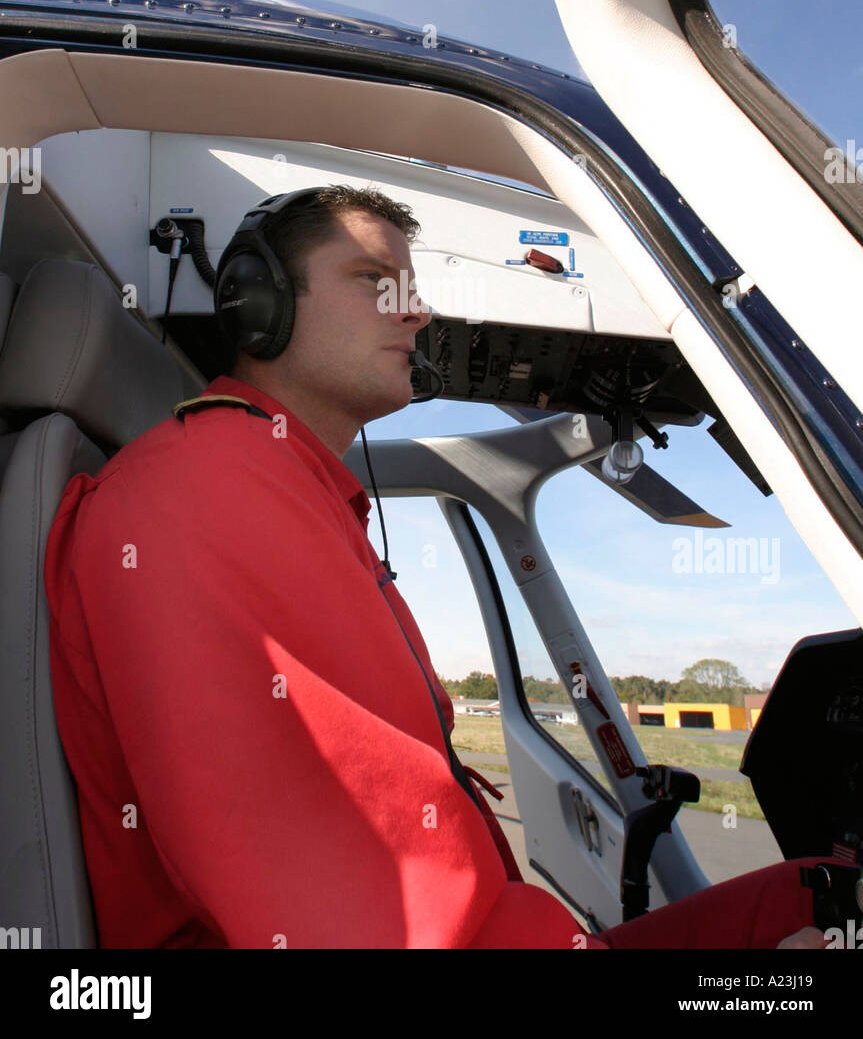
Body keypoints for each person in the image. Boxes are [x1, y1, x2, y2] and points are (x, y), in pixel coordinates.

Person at [44, 184, 831, 948]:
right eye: (373, 282)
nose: (415, 313)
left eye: (411, 291)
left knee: (810, 889)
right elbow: (368, 922)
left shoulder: (290, 489)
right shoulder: (211, 494)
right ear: (259, 303)